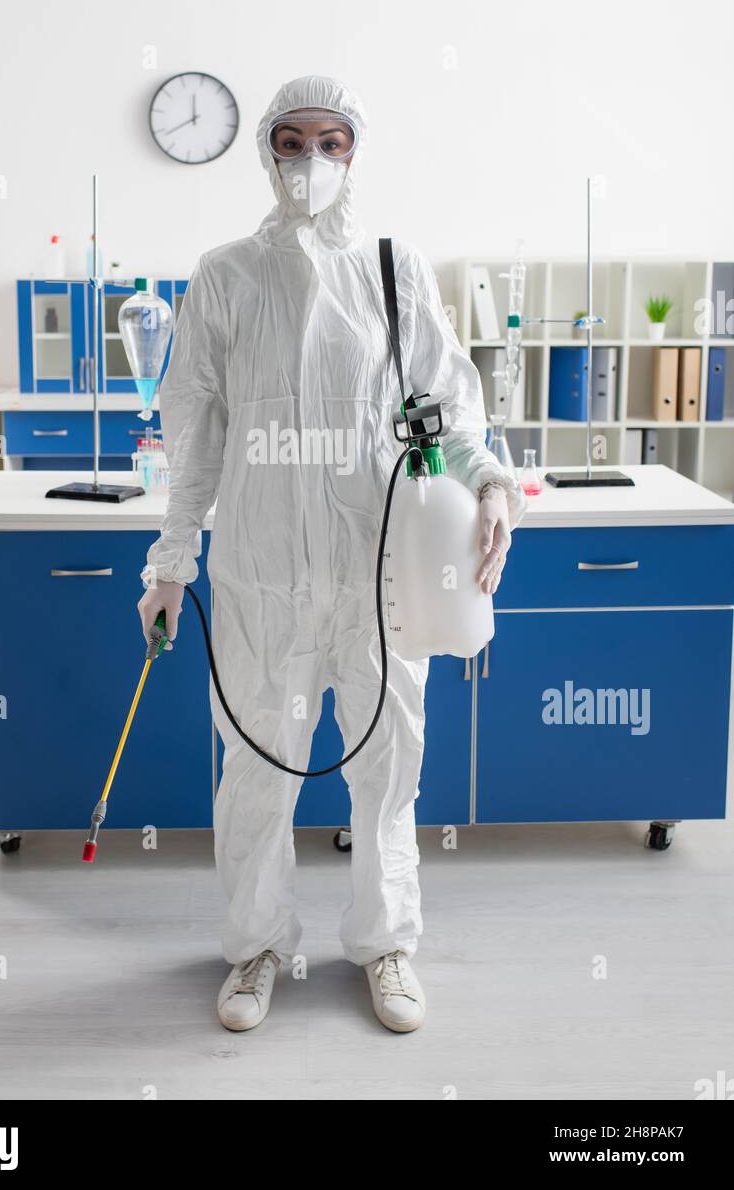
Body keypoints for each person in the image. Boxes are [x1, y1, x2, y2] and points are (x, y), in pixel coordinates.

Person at [138, 75, 525, 1034]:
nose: (311, 160)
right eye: (292, 141)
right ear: (265, 153)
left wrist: (490, 482)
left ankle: (385, 944)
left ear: (355, 151)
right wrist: (169, 562)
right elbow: (196, 438)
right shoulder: (225, 274)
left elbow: (453, 403)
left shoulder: (395, 270)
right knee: (257, 771)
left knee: (388, 768)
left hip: (376, 573)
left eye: (332, 141)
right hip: (260, 578)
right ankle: (257, 948)